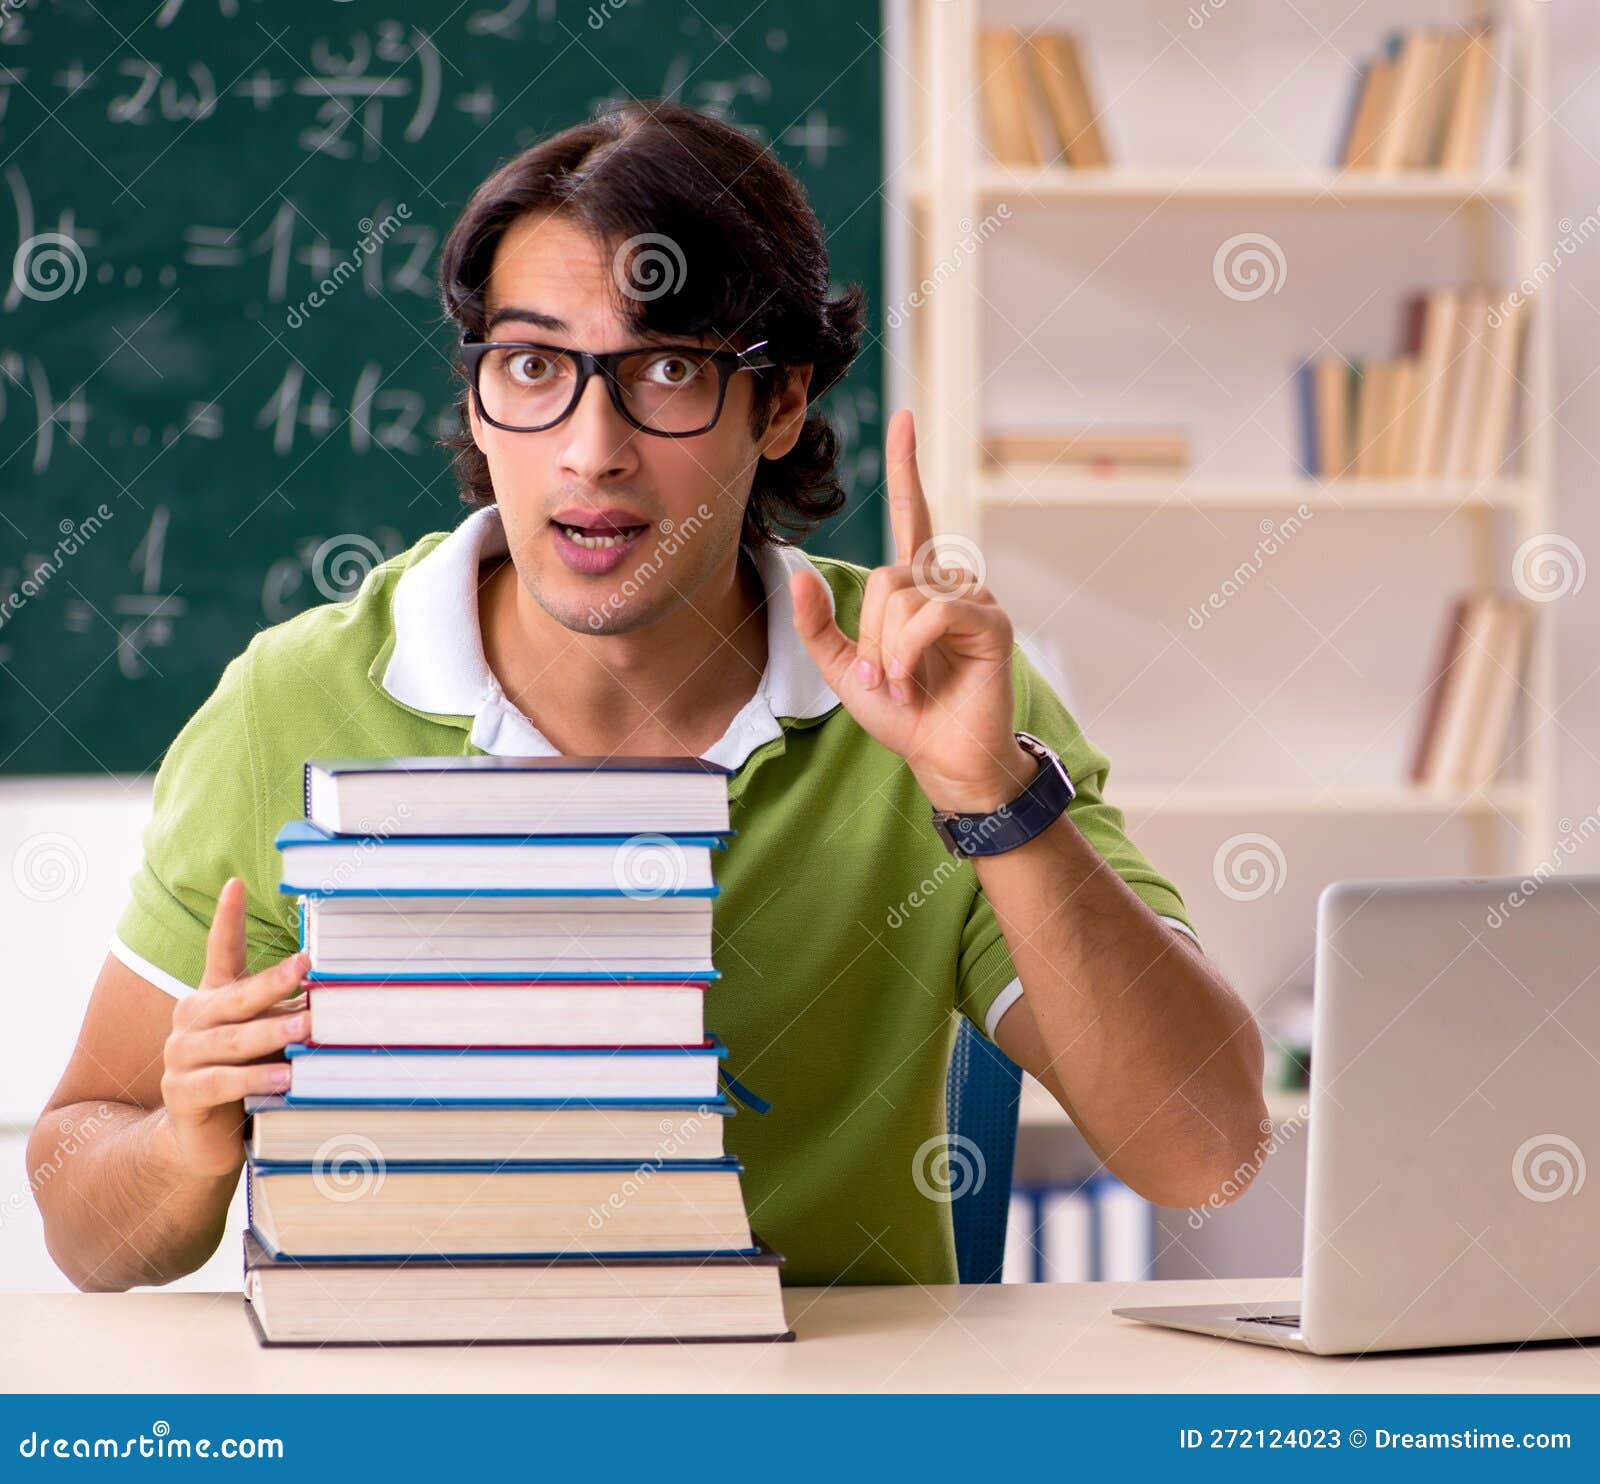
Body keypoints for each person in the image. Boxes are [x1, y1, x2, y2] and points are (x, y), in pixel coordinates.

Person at [31, 99, 1265, 1291]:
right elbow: (83, 1206)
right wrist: (183, 1145)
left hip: (814, 1413)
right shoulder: (292, 702)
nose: (590, 449)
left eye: (666, 369)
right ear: (477, 395)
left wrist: (989, 795)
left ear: (779, 404)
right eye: (532, 366)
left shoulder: (933, 692)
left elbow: (1208, 1153)